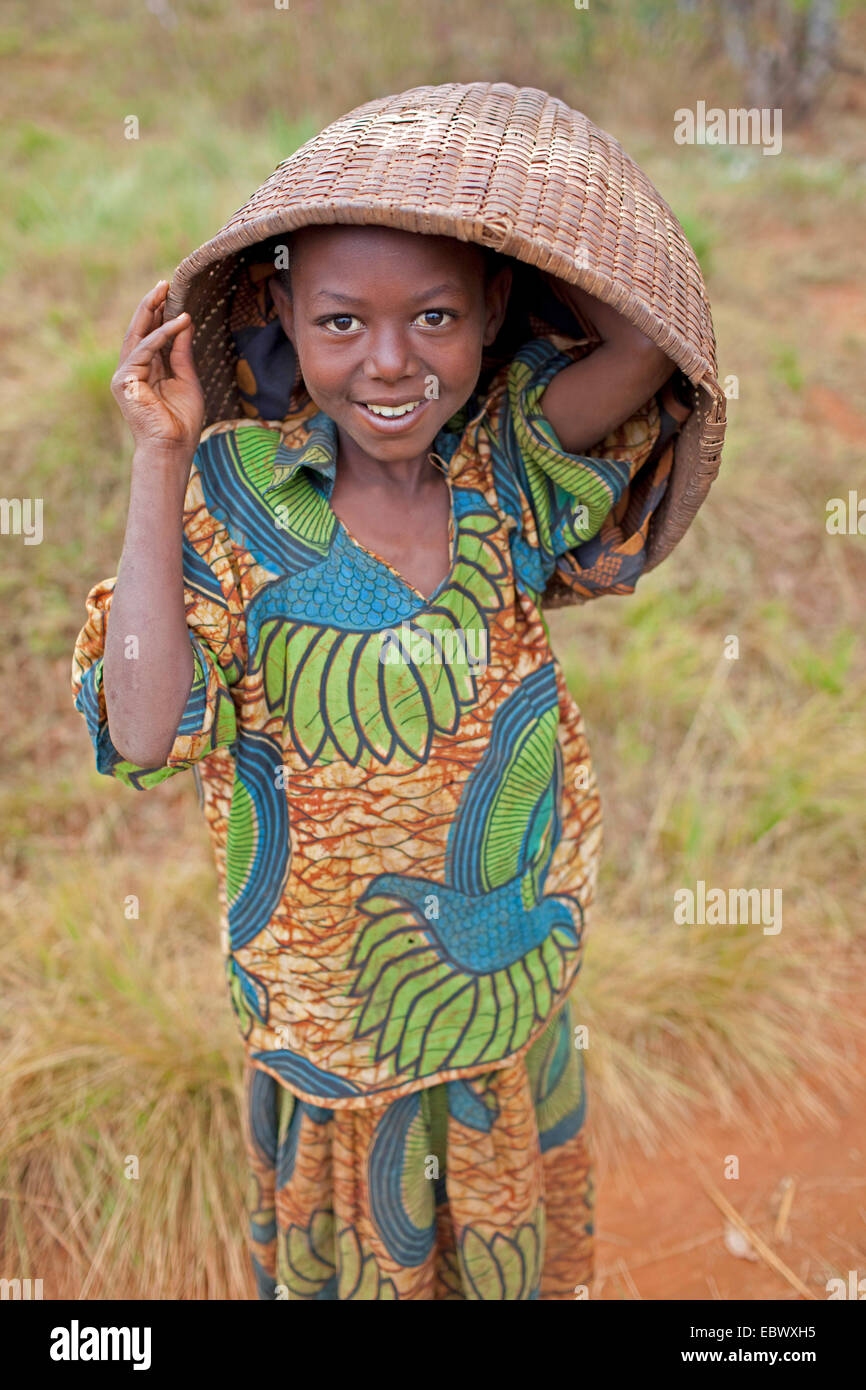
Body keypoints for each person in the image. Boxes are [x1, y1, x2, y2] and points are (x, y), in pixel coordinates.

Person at [71, 217, 677, 1301]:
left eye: (433, 316)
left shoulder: (502, 470)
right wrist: (159, 458)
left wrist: (521, 228)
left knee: (505, 1267)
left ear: (493, 313)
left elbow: (641, 345)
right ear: (284, 322)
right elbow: (142, 728)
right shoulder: (241, 496)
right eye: (340, 322)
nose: (389, 361)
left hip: (500, 1002)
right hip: (336, 1037)